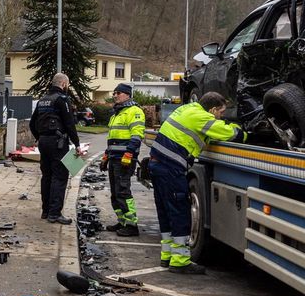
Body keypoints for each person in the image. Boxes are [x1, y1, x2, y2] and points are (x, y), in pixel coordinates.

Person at [147, 91, 246, 274]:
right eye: (221, 112)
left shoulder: (187, 109)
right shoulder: (202, 117)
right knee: (179, 211)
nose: (221, 116)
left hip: (157, 165)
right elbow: (230, 134)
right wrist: (241, 131)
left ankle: (167, 255)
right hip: (171, 168)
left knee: (166, 212)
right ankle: (180, 261)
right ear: (213, 109)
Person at [30, 73, 83, 225]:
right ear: (64, 84)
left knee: (46, 176)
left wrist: (39, 137)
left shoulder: (42, 100)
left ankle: (46, 211)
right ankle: (55, 213)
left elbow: (32, 123)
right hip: (58, 143)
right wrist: (77, 144)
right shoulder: (62, 99)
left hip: (44, 142)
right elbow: (69, 124)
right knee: (59, 177)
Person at [100, 83, 144, 237]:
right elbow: (112, 139)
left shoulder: (135, 111)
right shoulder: (116, 114)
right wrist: (106, 156)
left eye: (118, 93)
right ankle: (123, 221)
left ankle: (132, 225)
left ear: (127, 95)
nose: (115, 95)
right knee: (115, 192)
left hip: (125, 160)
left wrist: (129, 154)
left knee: (123, 191)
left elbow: (137, 135)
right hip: (114, 159)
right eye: (114, 92)